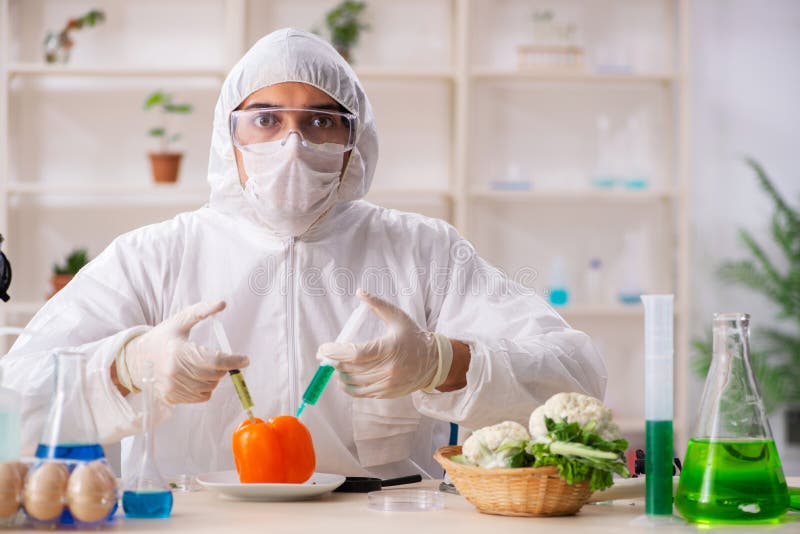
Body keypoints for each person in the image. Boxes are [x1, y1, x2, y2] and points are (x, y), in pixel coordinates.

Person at [0, 29, 606, 479]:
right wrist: (127, 365)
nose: (292, 144)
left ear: (355, 140)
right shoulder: (153, 255)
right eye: (265, 120)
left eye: (320, 122)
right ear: (227, 137)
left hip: (381, 518)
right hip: (187, 519)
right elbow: (13, 401)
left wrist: (443, 361)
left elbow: (577, 376)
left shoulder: (424, 249)